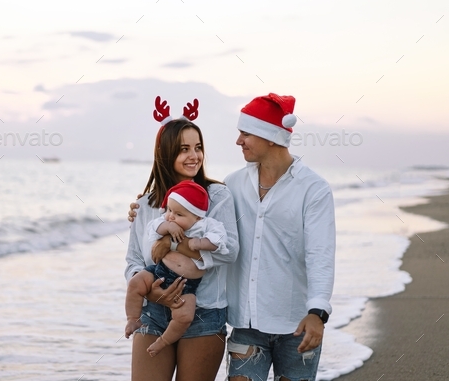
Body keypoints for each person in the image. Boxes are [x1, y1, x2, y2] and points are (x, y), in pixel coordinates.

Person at [124, 96, 239, 381]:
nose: (194, 156)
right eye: (184, 149)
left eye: (198, 148)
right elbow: (133, 261)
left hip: (204, 312)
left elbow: (230, 251)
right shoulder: (146, 205)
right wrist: (150, 291)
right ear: (165, 153)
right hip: (152, 312)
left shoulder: (217, 196)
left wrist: (175, 244)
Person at [224, 93, 336, 381]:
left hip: (297, 323)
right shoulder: (232, 184)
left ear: (271, 137)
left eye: (245, 133)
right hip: (246, 322)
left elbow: (320, 254)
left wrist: (318, 312)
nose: (239, 141)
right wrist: (149, 210)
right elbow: (195, 217)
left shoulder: (314, 189)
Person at [125, 180, 228, 357]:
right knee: (136, 283)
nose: (171, 216)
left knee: (184, 317)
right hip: (159, 273)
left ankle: (163, 341)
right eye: (170, 211)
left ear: (197, 216)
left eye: (178, 214)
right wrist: (169, 226)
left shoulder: (205, 225)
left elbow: (221, 243)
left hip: (187, 285)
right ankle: (132, 319)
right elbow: (154, 228)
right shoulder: (165, 219)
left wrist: (200, 243)